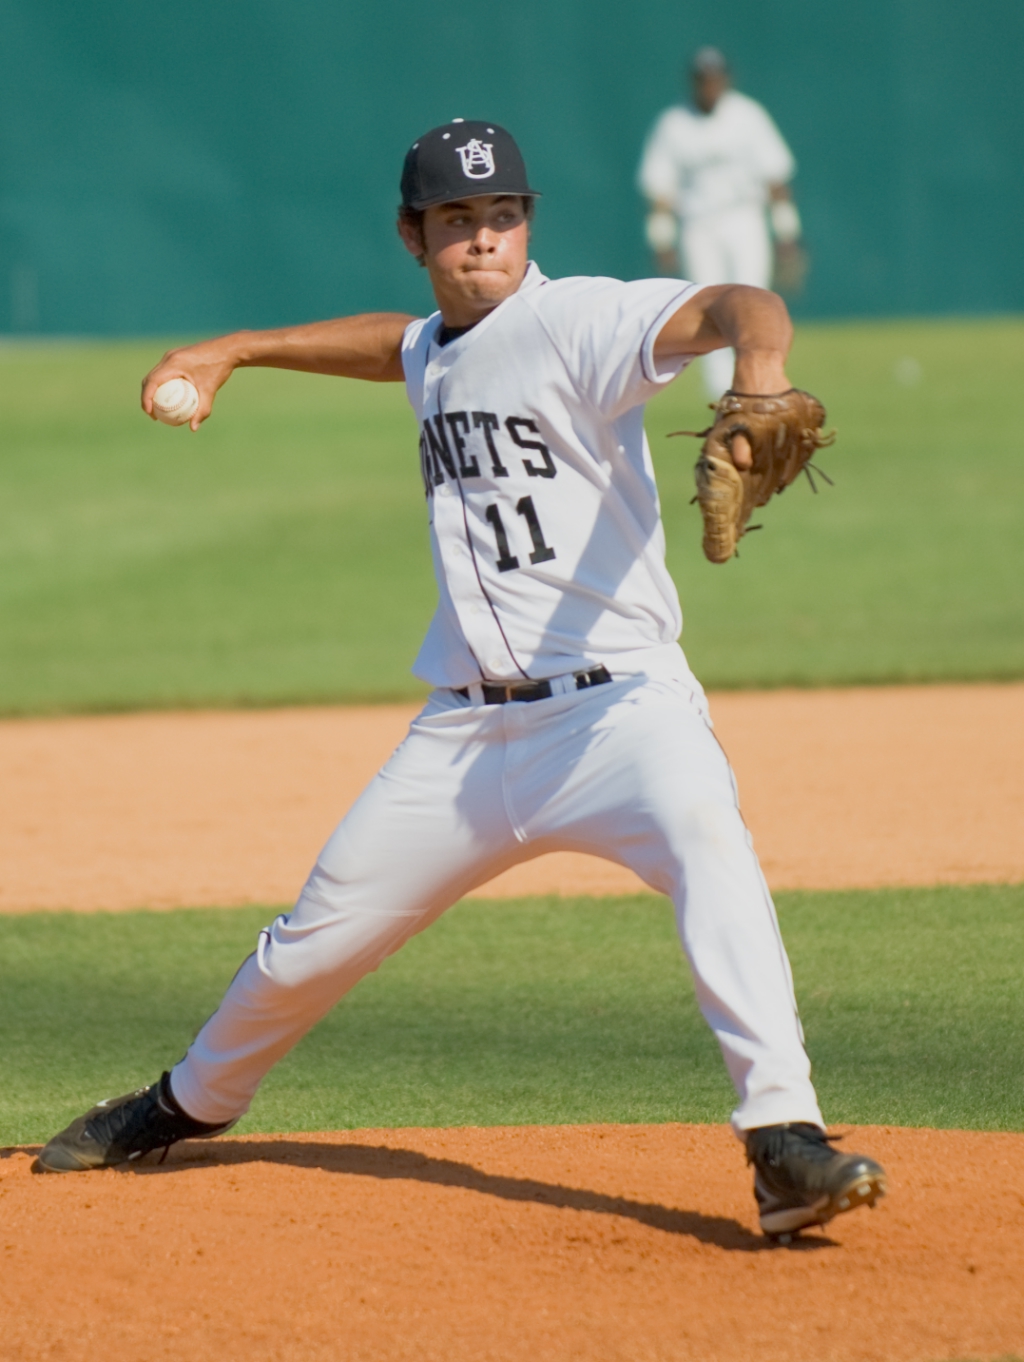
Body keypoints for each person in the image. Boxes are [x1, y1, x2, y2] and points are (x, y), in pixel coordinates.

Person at [39, 118, 884, 1241]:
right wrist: (234, 346)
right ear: (414, 234)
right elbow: (393, 345)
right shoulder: (437, 348)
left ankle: (783, 1141)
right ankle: (183, 1105)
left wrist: (762, 370)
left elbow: (736, 302)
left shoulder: (581, 318)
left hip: (622, 713)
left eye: (502, 217)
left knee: (709, 851)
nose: (483, 239)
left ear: (526, 222)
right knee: (308, 947)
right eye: (456, 221)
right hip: (466, 742)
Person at [639, 47, 806, 398]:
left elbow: (775, 179)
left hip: (744, 218)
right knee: (708, 301)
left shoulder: (747, 116)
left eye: (715, 78)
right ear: (694, 82)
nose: (709, 86)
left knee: (753, 298)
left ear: (726, 79)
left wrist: (786, 232)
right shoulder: (674, 124)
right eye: (703, 79)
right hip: (700, 224)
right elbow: (660, 187)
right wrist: (662, 239)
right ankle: (721, 390)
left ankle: (761, 379)